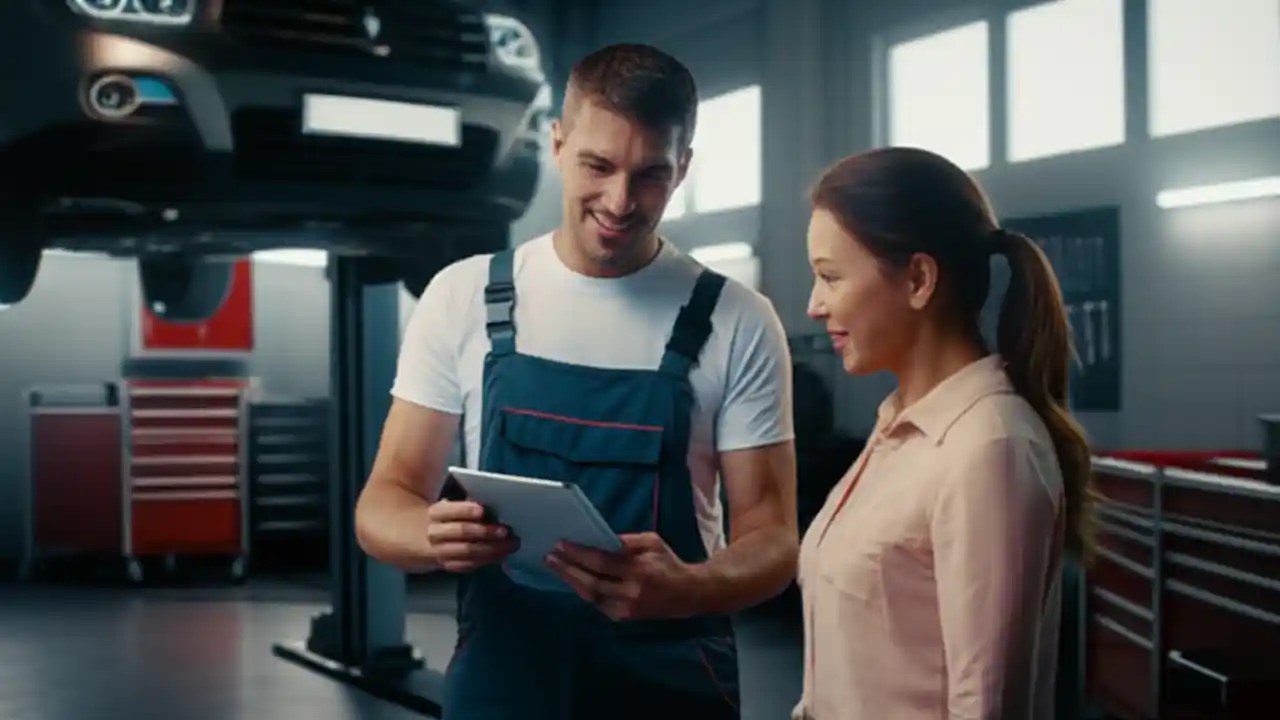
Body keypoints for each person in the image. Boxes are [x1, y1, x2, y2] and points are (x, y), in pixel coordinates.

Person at [354, 43, 799, 720]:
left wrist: (690, 587)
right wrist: (430, 537)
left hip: (670, 680)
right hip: (503, 675)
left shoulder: (736, 319)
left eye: (651, 174)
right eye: (598, 165)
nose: (620, 201)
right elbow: (383, 502)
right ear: (558, 146)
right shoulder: (464, 296)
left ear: (682, 167)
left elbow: (773, 540)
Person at [792, 147, 1096, 720]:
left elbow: (984, 706)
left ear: (918, 279)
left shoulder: (989, 449)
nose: (814, 304)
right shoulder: (898, 430)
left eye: (830, 276)